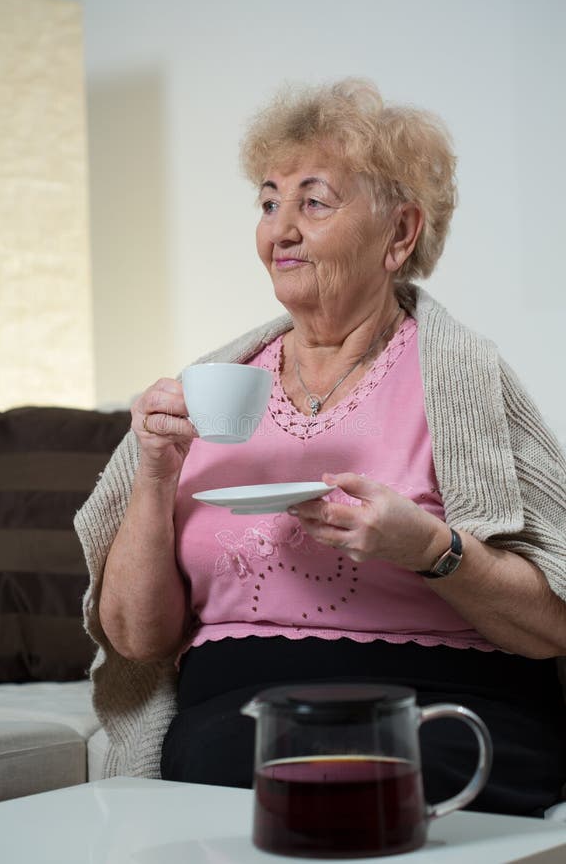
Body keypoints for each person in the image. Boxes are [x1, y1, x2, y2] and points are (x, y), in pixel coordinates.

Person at [75, 79, 566, 816]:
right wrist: (154, 472)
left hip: (444, 707)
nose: (281, 230)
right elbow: (137, 639)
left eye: (314, 201)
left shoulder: (463, 379)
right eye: (269, 202)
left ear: (399, 233)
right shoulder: (214, 386)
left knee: (401, 765)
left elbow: (552, 623)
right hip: (243, 715)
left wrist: (432, 549)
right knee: (222, 756)